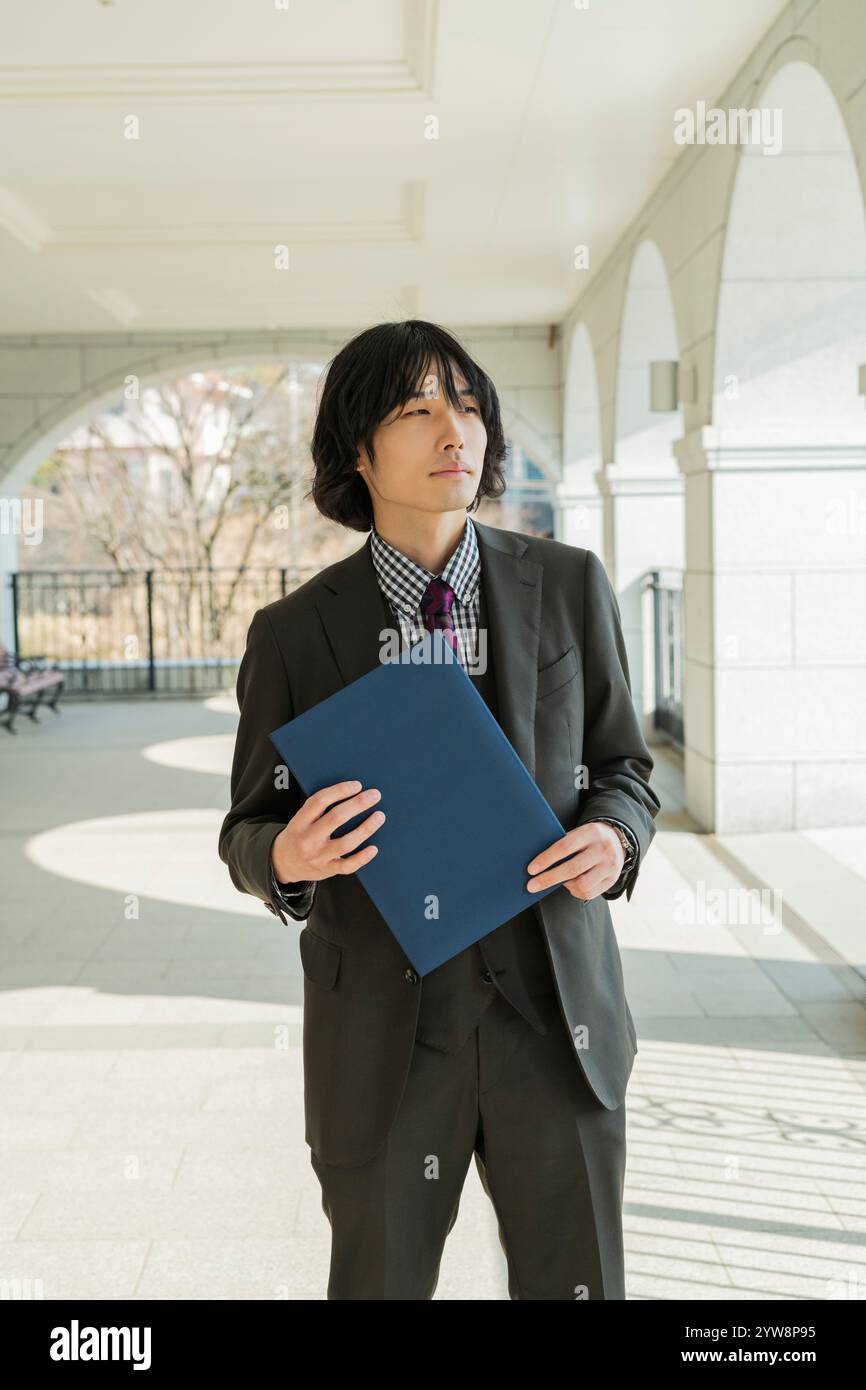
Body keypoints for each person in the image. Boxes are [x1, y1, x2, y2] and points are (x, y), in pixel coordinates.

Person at [218, 319, 660, 1299]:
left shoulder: (569, 584)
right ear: (357, 452)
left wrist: (613, 835)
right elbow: (246, 830)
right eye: (417, 409)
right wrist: (285, 854)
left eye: (466, 405)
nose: (454, 428)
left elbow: (623, 766)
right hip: (383, 1037)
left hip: (554, 1024)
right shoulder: (293, 634)